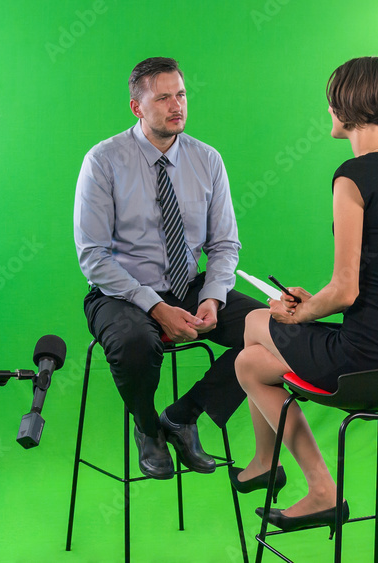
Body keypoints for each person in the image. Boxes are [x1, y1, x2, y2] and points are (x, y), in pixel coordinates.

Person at [232, 56, 378, 531]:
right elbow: (375, 280)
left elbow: (345, 290)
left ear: (347, 106)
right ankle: (267, 462)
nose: (328, 110)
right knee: (249, 365)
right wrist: (310, 303)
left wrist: (298, 316)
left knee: (255, 322)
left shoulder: (352, 176)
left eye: (331, 101)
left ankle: (318, 487)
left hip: (365, 362)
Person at [74, 57, 265, 480]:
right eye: (162, 98)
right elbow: (93, 256)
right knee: (136, 343)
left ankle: (182, 416)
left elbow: (224, 243)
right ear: (136, 107)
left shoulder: (207, 159)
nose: (176, 105)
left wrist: (213, 297)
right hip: (119, 292)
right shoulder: (103, 161)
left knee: (273, 333)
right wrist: (155, 308)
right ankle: (147, 428)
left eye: (180, 95)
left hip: (189, 286)